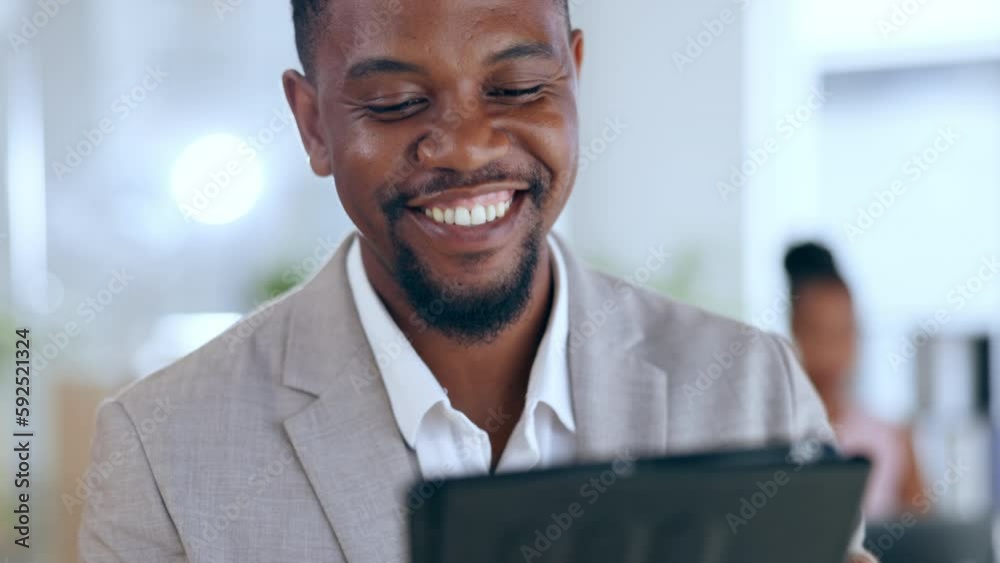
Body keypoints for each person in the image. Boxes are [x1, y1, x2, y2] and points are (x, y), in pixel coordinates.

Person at [78, 1, 874, 561]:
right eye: (395, 102)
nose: (464, 146)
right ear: (313, 121)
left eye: (519, 87)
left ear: (574, 76)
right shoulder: (163, 451)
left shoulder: (751, 389)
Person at [785, 241, 925, 519]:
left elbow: (926, 542)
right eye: (819, 333)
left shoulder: (893, 438)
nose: (833, 351)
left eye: (845, 332)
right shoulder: (770, 436)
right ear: (794, 331)